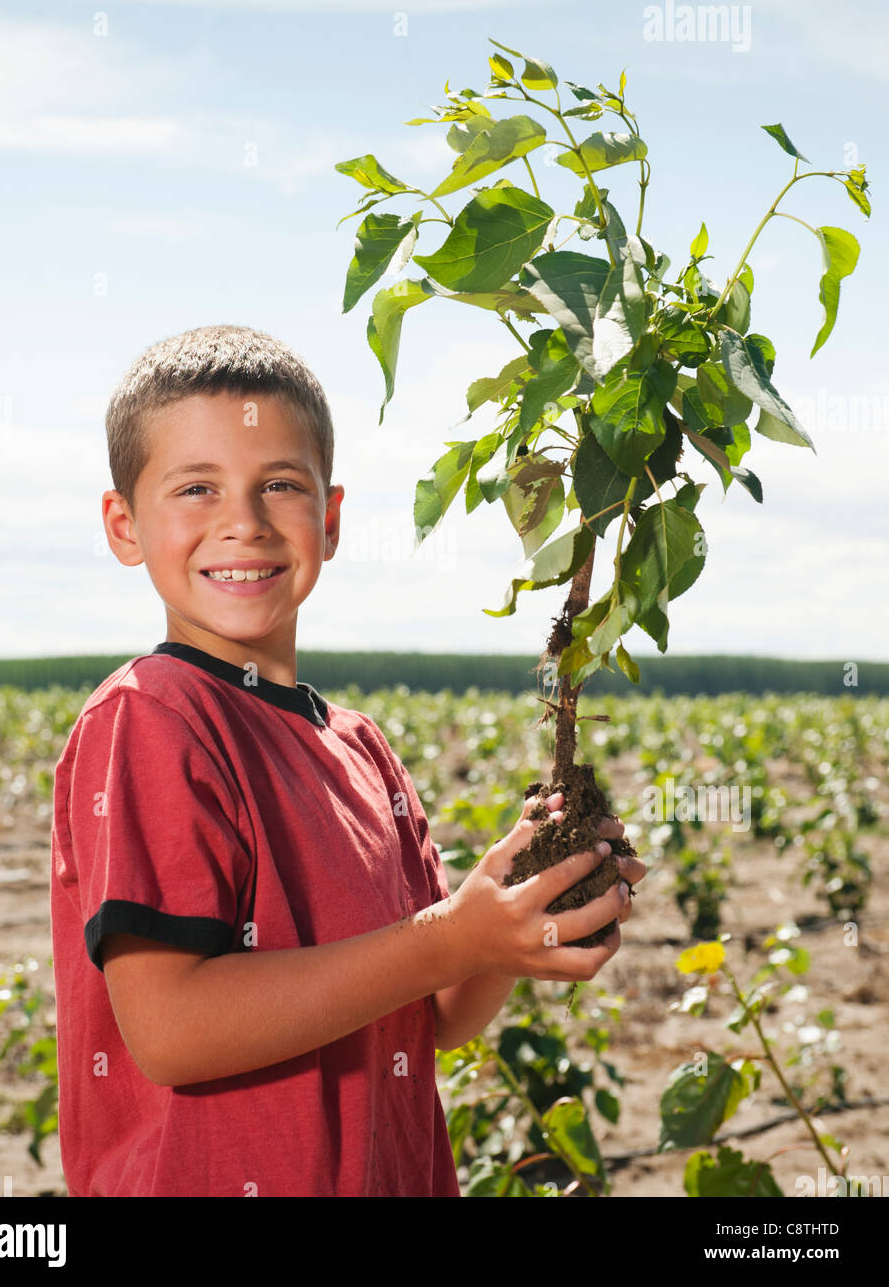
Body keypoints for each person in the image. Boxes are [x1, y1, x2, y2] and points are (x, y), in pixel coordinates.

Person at [50, 322, 645, 1197]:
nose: (243, 523)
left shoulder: (360, 747)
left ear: (328, 521)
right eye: (196, 489)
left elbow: (433, 1017)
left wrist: (506, 919)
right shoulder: (150, 716)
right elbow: (171, 1028)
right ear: (125, 525)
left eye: (279, 486)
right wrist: (450, 937)